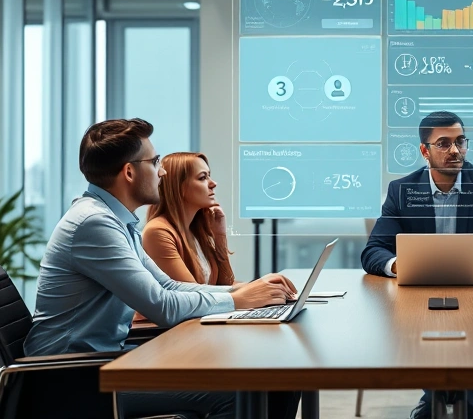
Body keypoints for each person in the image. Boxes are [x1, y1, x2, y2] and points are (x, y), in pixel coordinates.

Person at [24, 119, 301, 419]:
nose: (163, 170)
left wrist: (243, 291)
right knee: (239, 392)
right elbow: (162, 306)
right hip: (74, 380)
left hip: (106, 364)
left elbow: (168, 286)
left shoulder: (117, 222)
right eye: (155, 161)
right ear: (129, 172)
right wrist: (239, 300)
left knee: (276, 378)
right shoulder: (94, 223)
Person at [360, 110, 473, 419]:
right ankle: (444, 400)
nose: (455, 150)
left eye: (460, 141)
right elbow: (373, 251)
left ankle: (455, 403)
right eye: (443, 143)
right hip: (419, 294)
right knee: (425, 327)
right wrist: (398, 265)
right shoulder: (401, 191)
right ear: (425, 151)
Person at [142, 152, 235, 287]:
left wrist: (219, 237)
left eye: (209, 176)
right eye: (203, 178)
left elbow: (225, 284)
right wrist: (253, 291)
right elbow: (193, 295)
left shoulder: (196, 230)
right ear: (178, 187)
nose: (213, 183)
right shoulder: (157, 231)